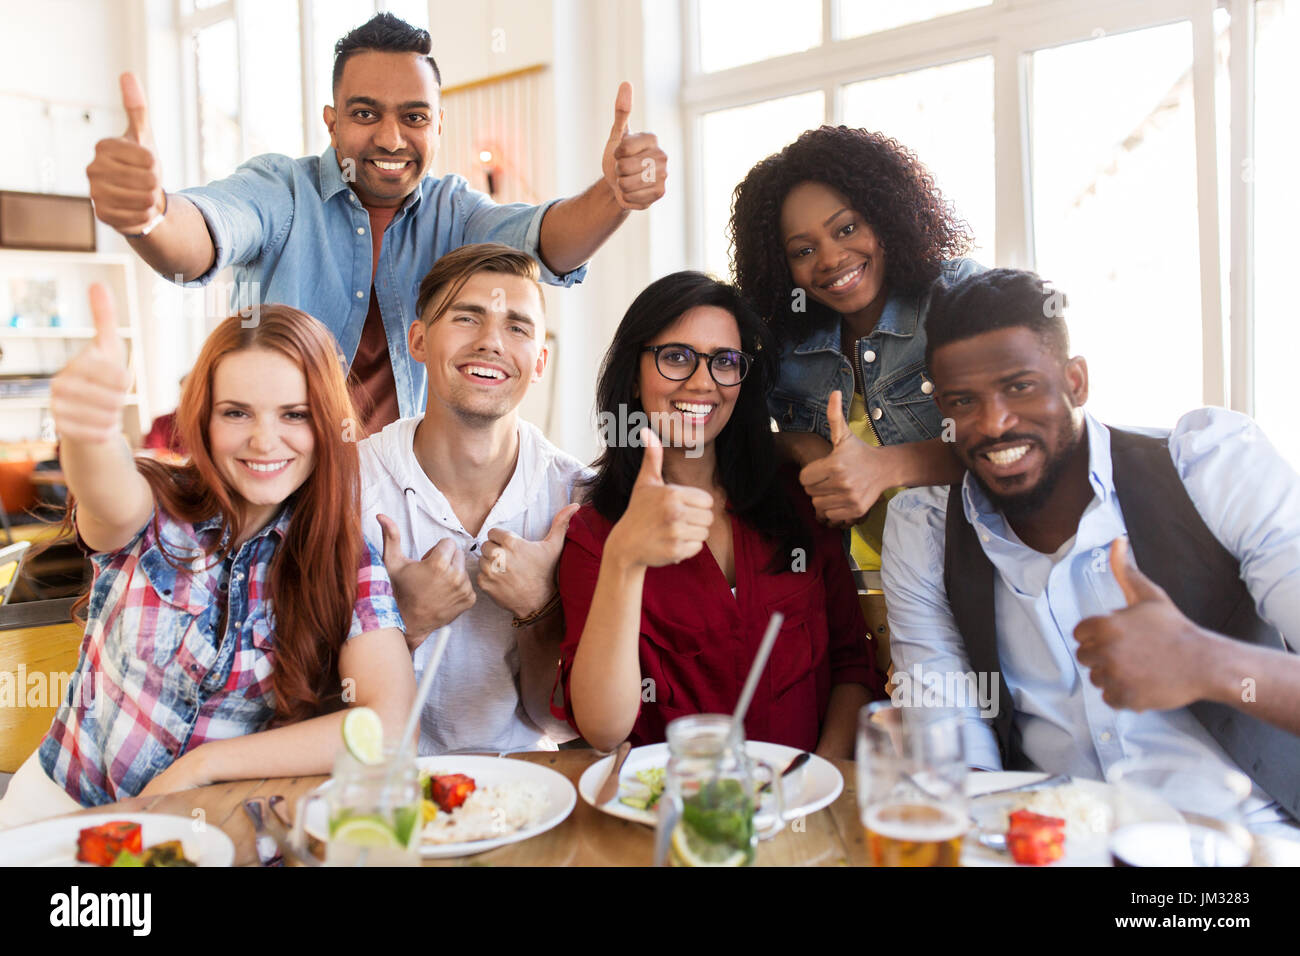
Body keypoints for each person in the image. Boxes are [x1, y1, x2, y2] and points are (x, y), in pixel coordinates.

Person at [86, 12, 668, 433]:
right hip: (282, 485)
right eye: (366, 114)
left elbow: (543, 242)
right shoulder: (281, 189)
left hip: (401, 494)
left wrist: (613, 197)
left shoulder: (455, 211)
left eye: (413, 117)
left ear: (438, 125)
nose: (391, 138)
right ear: (332, 122)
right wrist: (152, 215)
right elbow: (209, 230)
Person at [881, 267, 1300, 828]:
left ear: (1076, 381)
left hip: (1246, 847)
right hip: (1052, 845)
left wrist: (1206, 662)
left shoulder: (1211, 465)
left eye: (1019, 386)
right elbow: (947, 733)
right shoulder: (925, 530)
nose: (994, 423)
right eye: (963, 400)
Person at [0, 287, 414, 828]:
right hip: (61, 814)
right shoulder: (156, 502)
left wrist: (205, 766)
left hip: (206, 826)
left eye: (294, 414)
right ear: (204, 417)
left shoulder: (347, 558)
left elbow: (385, 727)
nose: (265, 442)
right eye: (236, 412)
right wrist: (89, 433)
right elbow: (107, 496)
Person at [554, 272, 885, 758]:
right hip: (670, 818)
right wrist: (625, 559)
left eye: (725, 361)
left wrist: (817, 784)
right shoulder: (595, 536)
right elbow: (603, 730)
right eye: (675, 357)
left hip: (801, 813)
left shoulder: (797, 502)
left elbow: (851, 666)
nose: (702, 381)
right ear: (633, 374)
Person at [360, 244, 586, 755]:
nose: (491, 343)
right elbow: (315, 710)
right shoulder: (347, 487)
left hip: (528, 791)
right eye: (467, 317)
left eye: (518, 328)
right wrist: (403, 626)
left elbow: (561, 723)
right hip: (383, 792)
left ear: (539, 362)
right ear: (418, 340)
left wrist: (537, 610)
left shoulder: (576, 495)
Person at [730, 126, 983, 569]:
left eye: (847, 228)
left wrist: (886, 466)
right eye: (803, 251)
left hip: (988, 575)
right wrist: (798, 443)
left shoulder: (958, 296)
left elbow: (1017, 435)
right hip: (869, 592)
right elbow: (728, 441)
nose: (830, 259)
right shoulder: (784, 348)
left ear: (885, 216)